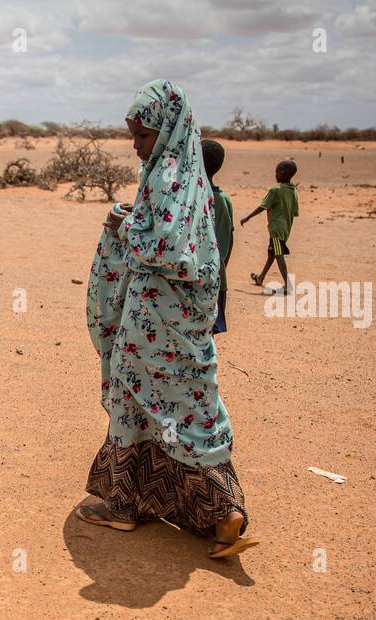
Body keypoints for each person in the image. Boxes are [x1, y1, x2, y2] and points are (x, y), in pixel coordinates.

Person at [81, 79, 256, 559]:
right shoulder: (191, 176)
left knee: (139, 399)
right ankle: (218, 512)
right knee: (183, 406)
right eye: (133, 136)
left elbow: (171, 250)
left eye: (142, 136)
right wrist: (135, 216)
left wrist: (125, 226)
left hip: (156, 320)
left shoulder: (167, 175)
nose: (136, 147)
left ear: (167, 129)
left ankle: (130, 503)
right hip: (175, 321)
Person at [243, 159, 299, 293]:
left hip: (276, 230)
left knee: (278, 254)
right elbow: (295, 212)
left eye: (276, 172)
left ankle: (288, 284)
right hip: (285, 229)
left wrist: (248, 217)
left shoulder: (276, 190)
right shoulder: (294, 191)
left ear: (282, 172)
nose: (275, 175)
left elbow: (263, 206)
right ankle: (260, 277)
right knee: (271, 253)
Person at [201, 139, 233, 334]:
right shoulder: (224, 200)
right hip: (218, 275)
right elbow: (230, 238)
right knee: (209, 332)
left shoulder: (196, 198)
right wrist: (221, 268)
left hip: (196, 278)